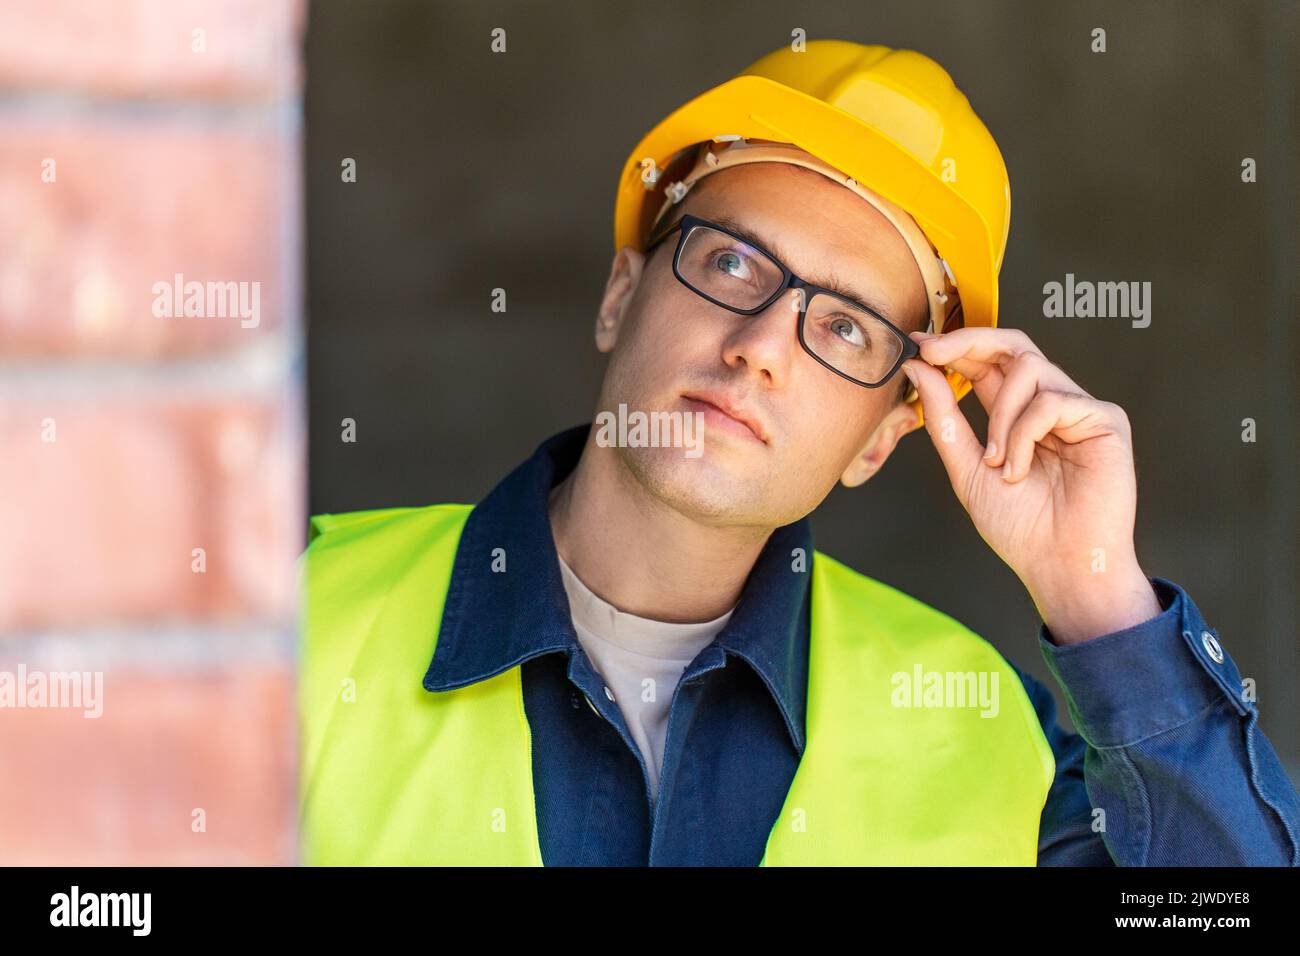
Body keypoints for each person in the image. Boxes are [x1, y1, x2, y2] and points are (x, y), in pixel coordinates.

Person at [298, 40, 1300, 865]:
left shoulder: (998, 737)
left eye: (849, 328)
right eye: (733, 262)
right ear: (620, 294)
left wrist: (1097, 598)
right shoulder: (286, 620)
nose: (762, 347)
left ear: (880, 437)